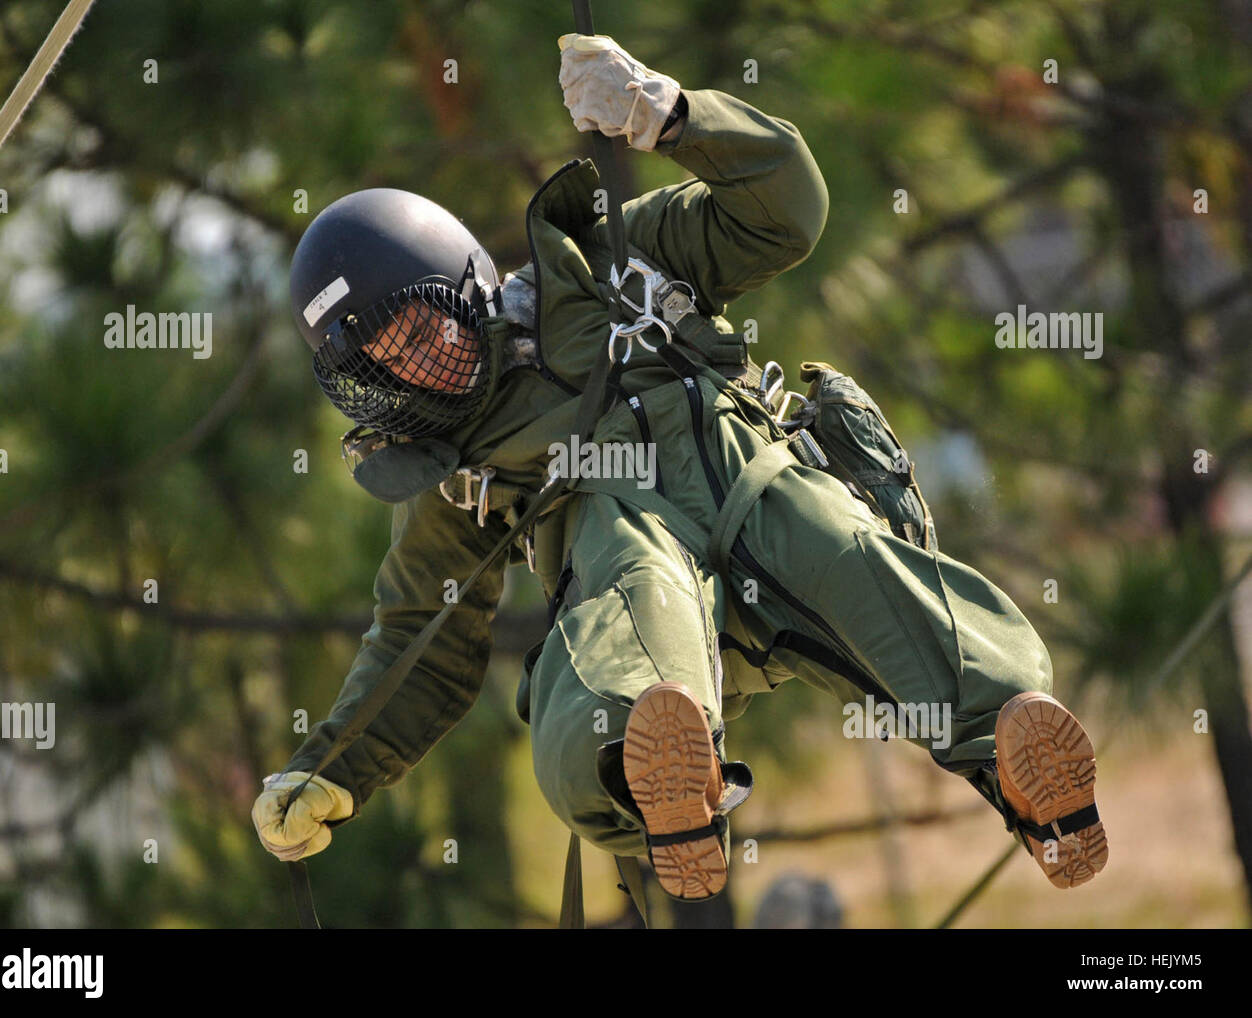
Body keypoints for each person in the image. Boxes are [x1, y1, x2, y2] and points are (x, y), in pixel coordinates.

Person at [252, 34, 1108, 906]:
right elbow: (416, 646)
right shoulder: (448, 470)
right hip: (649, 591)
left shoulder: (609, 268)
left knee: (847, 552)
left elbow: (786, 212)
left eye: (421, 326)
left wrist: (667, 114)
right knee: (633, 582)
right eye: (387, 364)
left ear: (460, 279)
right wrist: (332, 771)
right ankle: (654, 773)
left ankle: (1020, 758)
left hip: (760, 506)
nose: (420, 367)